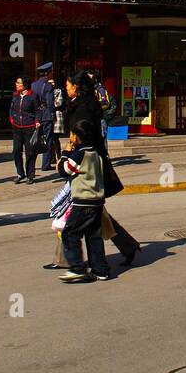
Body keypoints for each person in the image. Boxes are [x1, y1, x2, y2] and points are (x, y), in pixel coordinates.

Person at [63, 71, 141, 263]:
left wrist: (71, 156)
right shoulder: (80, 105)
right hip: (83, 163)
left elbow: (86, 140)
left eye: (68, 84)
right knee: (91, 212)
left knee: (85, 212)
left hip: (86, 166)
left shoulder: (84, 109)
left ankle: (72, 260)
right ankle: (125, 247)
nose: (65, 88)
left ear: (77, 87)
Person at [56, 119, 111, 283]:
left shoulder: (81, 154)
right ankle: (100, 270)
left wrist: (65, 153)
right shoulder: (96, 152)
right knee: (93, 235)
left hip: (83, 201)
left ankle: (77, 267)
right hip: (97, 201)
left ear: (77, 136)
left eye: (72, 134)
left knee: (69, 232)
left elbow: (64, 170)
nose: (70, 136)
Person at [8, 76, 41, 184]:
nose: (16, 84)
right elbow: (11, 108)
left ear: (25, 85)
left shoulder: (33, 96)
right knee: (16, 151)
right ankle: (20, 173)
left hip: (29, 128)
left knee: (30, 153)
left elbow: (37, 110)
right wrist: (12, 118)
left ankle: (30, 175)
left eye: (19, 83)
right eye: (16, 82)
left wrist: (37, 121)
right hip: (17, 128)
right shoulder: (15, 96)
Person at [31, 62, 57, 175]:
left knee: (35, 139)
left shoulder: (33, 85)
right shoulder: (48, 86)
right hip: (46, 115)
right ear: (48, 73)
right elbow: (50, 103)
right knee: (48, 139)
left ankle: (31, 164)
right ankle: (45, 164)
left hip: (36, 116)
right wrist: (53, 115)